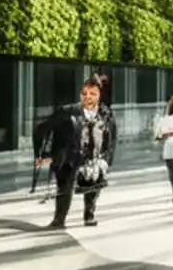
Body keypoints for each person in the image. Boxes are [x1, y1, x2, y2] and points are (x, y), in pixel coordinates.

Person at [34, 76, 117, 229]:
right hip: (68, 157)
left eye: (92, 93)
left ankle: (89, 214)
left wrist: (108, 157)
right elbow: (42, 129)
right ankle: (59, 219)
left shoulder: (105, 113)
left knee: (94, 183)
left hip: (94, 156)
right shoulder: (67, 112)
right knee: (65, 188)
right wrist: (41, 154)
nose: (88, 97)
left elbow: (111, 135)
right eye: (85, 93)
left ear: (99, 95)